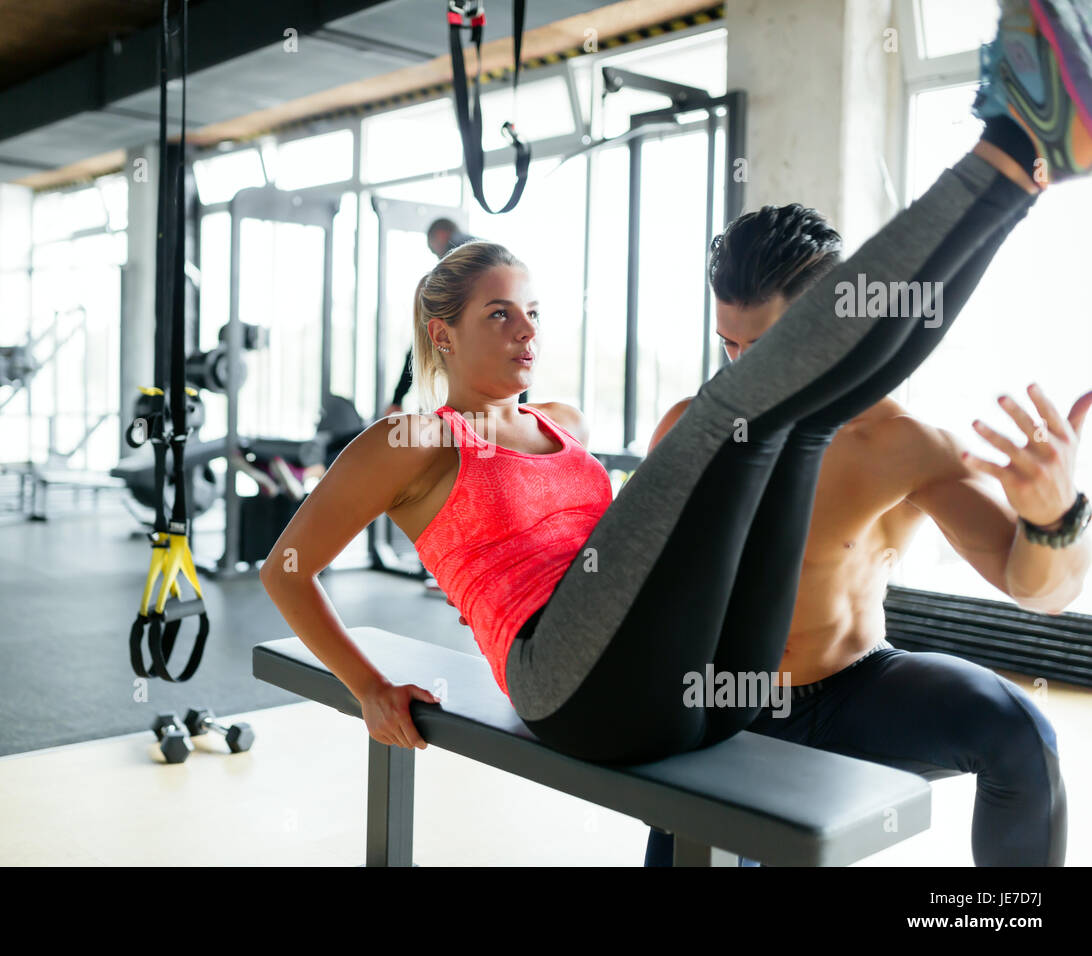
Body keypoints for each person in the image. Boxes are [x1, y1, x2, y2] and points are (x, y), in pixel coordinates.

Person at [261, 0, 1092, 866]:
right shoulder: (418, 440)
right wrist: (365, 687)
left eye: (532, 312)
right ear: (444, 333)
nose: (526, 331)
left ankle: (1026, 160)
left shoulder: (574, 426)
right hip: (597, 678)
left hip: (733, 684)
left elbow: (1034, 583)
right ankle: (1014, 147)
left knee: (794, 423)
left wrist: (1056, 514)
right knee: (756, 415)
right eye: (498, 315)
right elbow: (292, 566)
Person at [643, 203, 1089, 867]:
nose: (740, 370)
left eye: (761, 349)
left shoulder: (898, 444)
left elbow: (1037, 590)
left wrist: (1054, 519)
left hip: (855, 692)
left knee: (1021, 735)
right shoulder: (692, 427)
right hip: (726, 703)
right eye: (728, 346)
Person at [383, 219, 476, 416]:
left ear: (440, 236)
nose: (438, 260)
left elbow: (423, 338)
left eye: (435, 251)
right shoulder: (485, 253)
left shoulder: (458, 263)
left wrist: (397, 399)